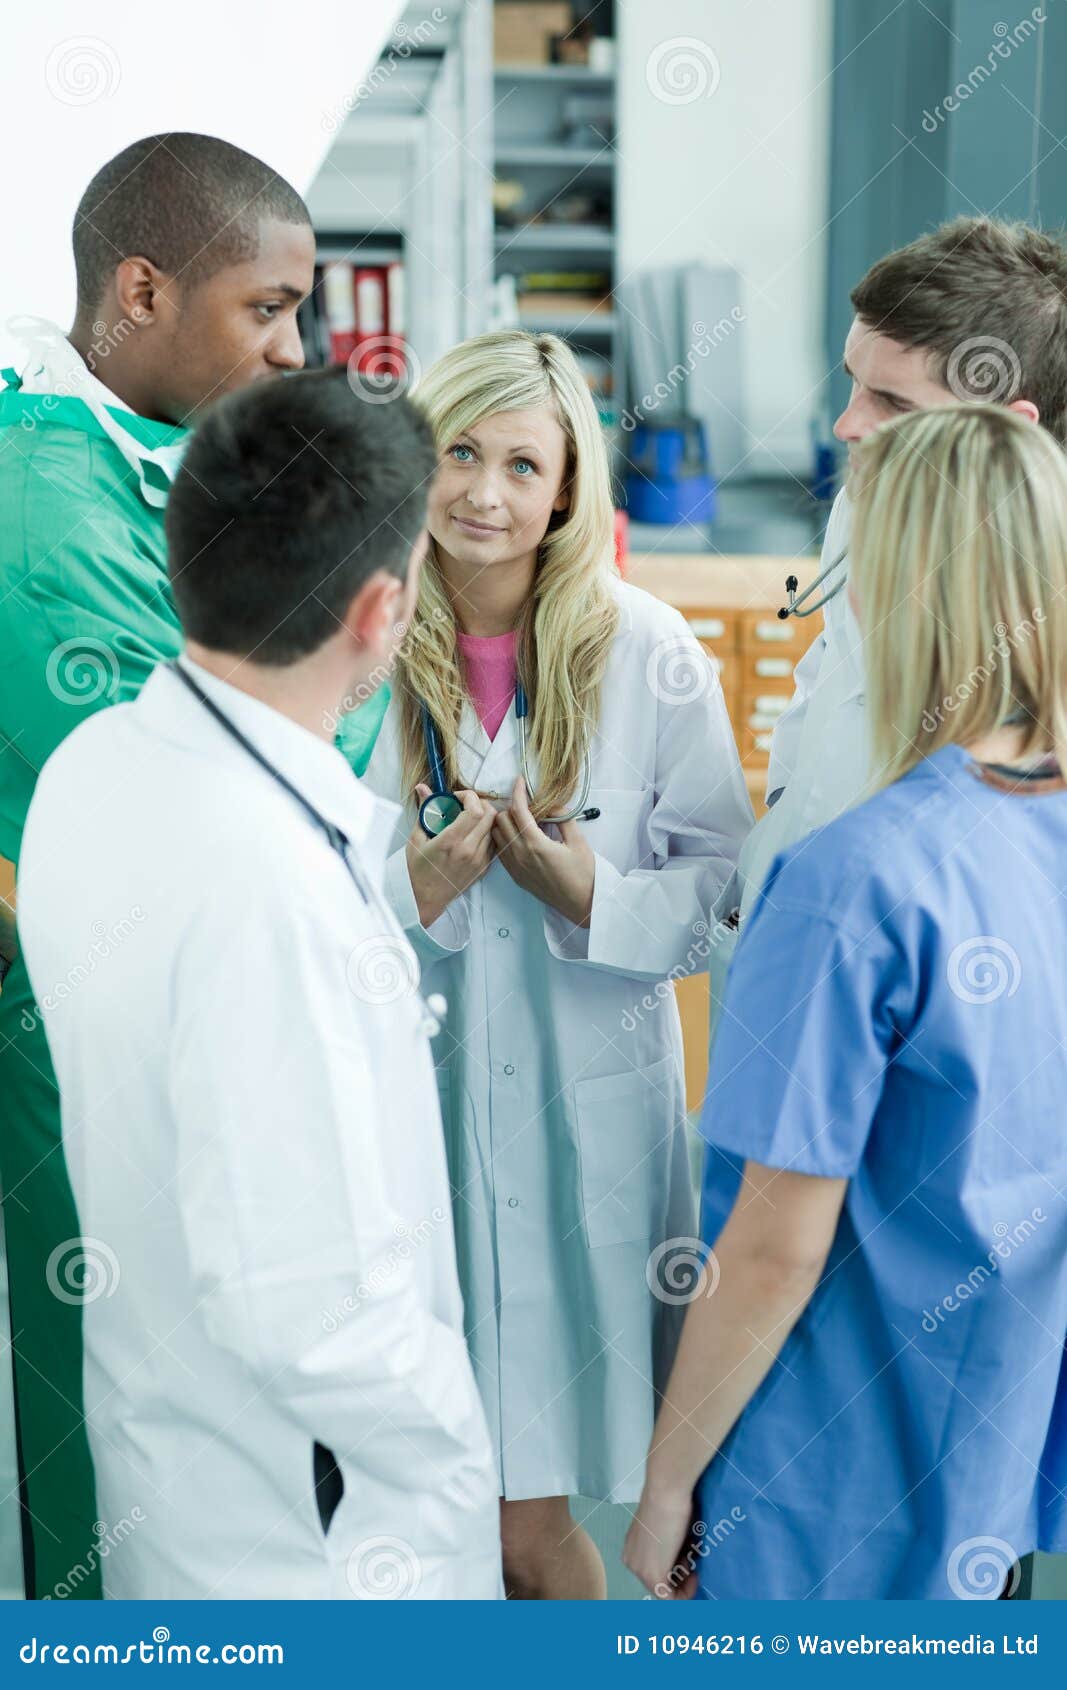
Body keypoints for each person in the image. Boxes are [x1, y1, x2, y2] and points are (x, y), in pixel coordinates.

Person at [15, 368, 503, 1601]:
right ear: (385, 609)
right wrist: (454, 1463)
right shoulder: (268, 886)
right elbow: (308, 1307)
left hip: (174, 1490)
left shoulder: (93, 765)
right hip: (315, 1548)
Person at [0, 132, 387, 1597]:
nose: (295, 352)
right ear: (143, 290)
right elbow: (225, 783)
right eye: (267, 311)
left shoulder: (141, 459)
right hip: (109, 1047)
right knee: (128, 1457)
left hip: (197, 1022)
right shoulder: (41, 504)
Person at [624, 404, 1067, 1600]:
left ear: (886, 584)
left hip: (817, 1486)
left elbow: (772, 1245)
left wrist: (667, 1483)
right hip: (986, 1459)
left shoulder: (851, 881)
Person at [361, 329, 753, 1599]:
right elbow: (299, 882)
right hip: (413, 1106)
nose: (482, 490)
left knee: (526, 1521)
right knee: (458, 1513)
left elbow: (721, 894)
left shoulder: (648, 648)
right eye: (456, 451)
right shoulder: (358, 641)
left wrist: (595, 896)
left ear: (566, 488)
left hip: (592, 1127)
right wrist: (410, 890)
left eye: (520, 464)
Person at [732, 215, 1067, 927]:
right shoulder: (865, 498)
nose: (846, 425)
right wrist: (782, 846)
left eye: (892, 402)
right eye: (855, 382)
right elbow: (827, 683)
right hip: (804, 912)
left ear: (1004, 427)